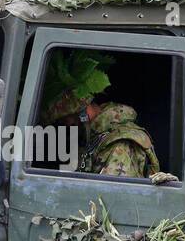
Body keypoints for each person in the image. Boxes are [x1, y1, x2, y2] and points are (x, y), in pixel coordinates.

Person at [41, 50, 160, 178]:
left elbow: (112, 195)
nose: (65, 125)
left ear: (78, 112)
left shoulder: (120, 144)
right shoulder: (95, 139)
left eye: (64, 120)